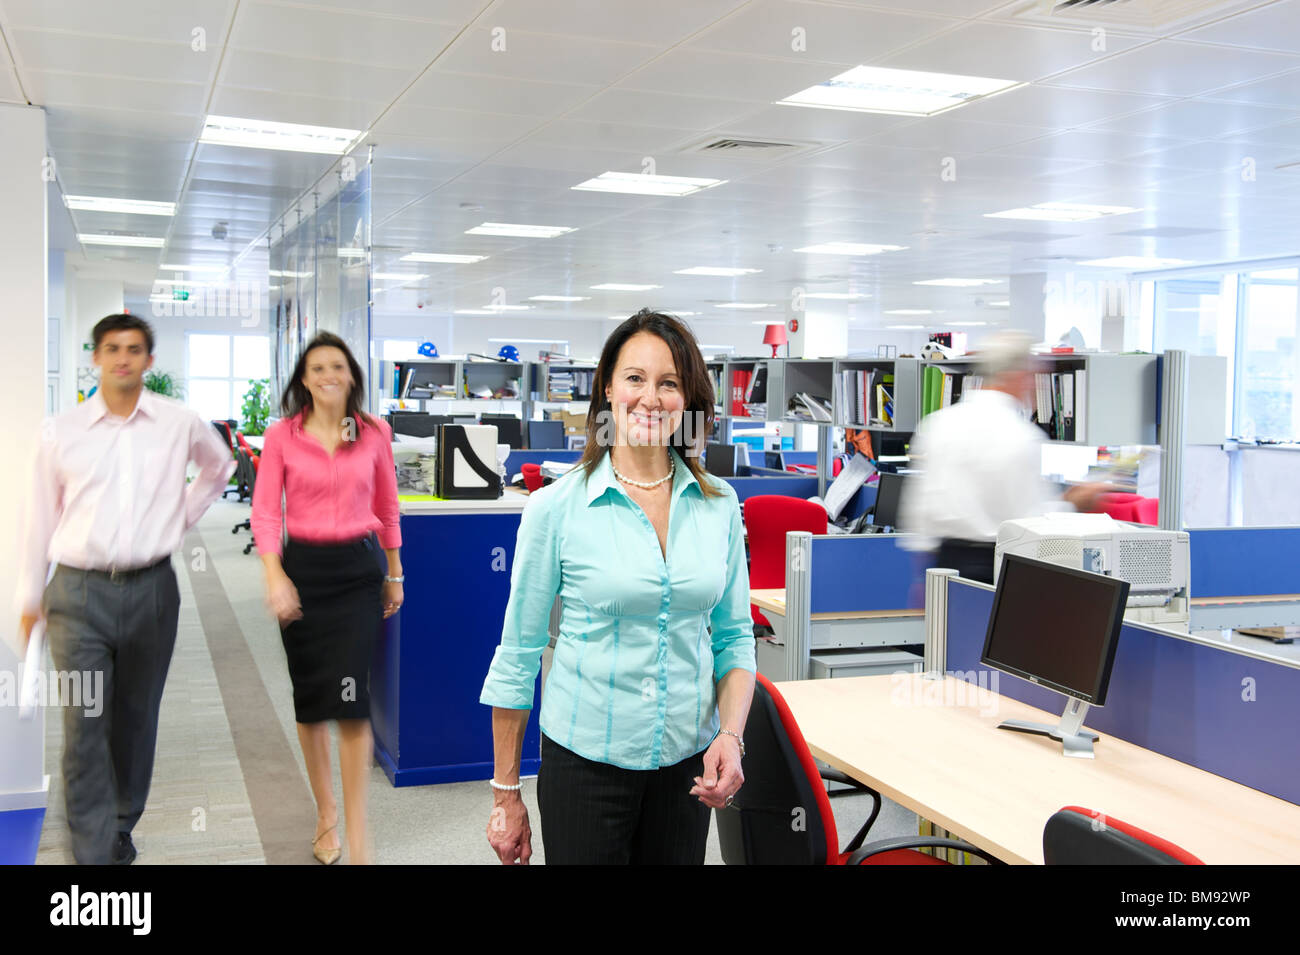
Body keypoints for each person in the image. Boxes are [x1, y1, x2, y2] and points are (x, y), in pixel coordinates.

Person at [481, 309, 756, 865]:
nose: (650, 398)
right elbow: (518, 654)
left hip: (686, 766)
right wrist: (506, 793)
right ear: (608, 387)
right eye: (635, 378)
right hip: (586, 765)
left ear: (688, 399)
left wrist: (730, 735)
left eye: (669, 383)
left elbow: (734, 637)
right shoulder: (556, 508)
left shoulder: (719, 504)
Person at [15, 313, 236, 865]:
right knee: (84, 725)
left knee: (137, 721)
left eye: (134, 349)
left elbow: (219, 467)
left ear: (148, 360)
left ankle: (118, 828)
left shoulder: (177, 422)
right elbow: (38, 517)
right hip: (77, 597)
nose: (122, 359)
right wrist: (27, 597)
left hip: (152, 592)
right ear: (96, 356)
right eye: (112, 348)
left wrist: (176, 520)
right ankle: (91, 856)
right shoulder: (60, 432)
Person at [251, 332, 402, 865]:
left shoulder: (375, 433)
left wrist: (395, 572)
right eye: (316, 368)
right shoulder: (282, 437)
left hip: (358, 573)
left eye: (337, 366)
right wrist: (274, 576)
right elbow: (267, 513)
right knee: (313, 701)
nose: (328, 375)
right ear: (304, 380)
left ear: (352, 375)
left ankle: (358, 831)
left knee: (353, 700)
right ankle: (326, 815)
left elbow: (387, 505)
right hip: (304, 571)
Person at [899, 331, 1107, 584]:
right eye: (1032, 376)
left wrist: (921, 576)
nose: (1033, 384)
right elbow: (1029, 520)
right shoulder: (1020, 435)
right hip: (997, 566)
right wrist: (1073, 502)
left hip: (944, 563)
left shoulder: (939, 423)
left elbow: (921, 509)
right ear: (1018, 376)